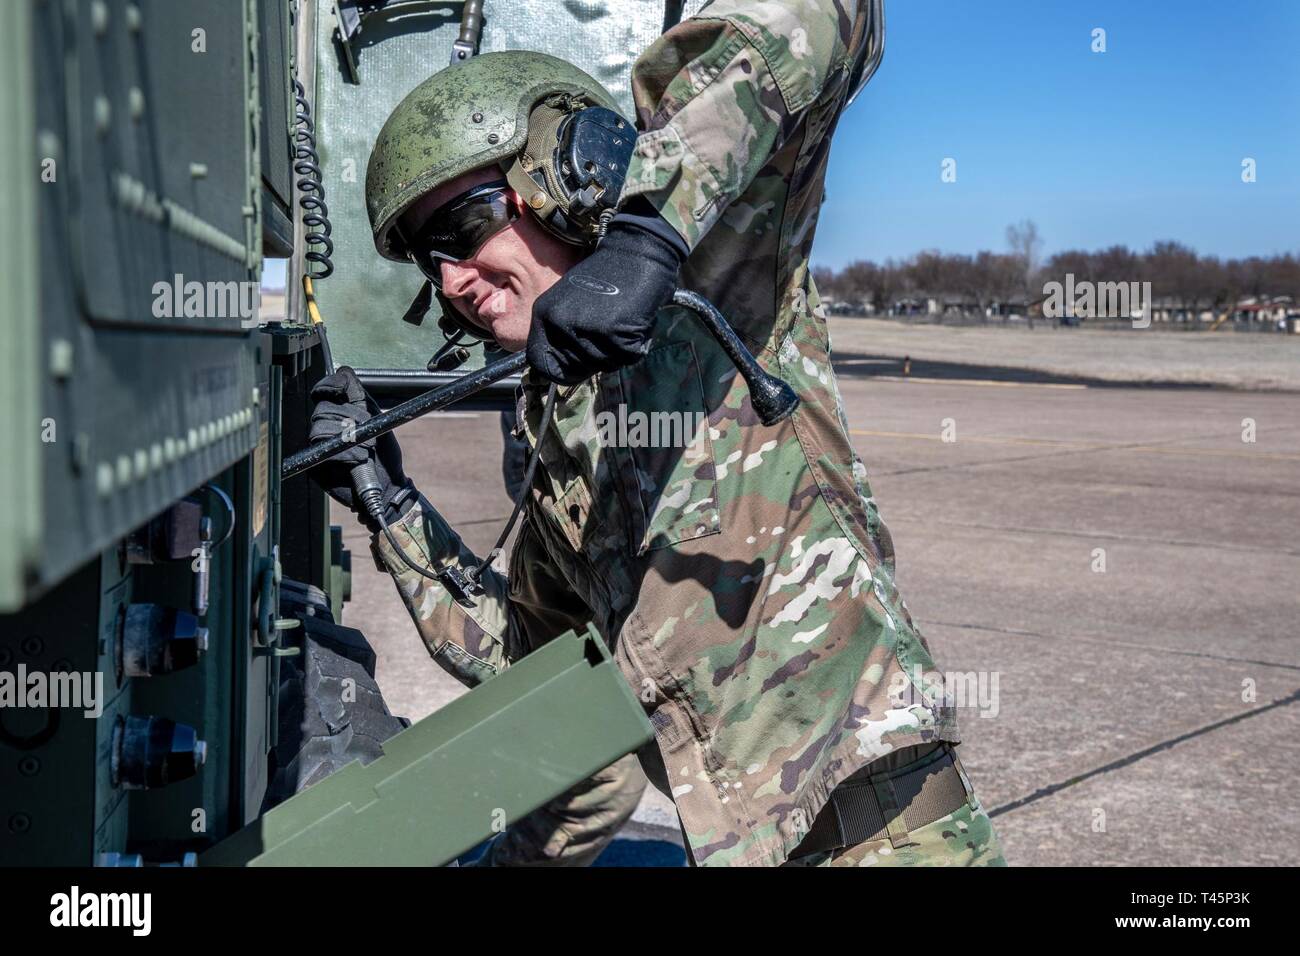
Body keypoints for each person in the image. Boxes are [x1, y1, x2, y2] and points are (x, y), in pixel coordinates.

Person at [314, 10, 1005, 867]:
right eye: (429, 258)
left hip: (880, 840)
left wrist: (650, 231)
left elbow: (831, 19)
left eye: (460, 230)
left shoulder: (720, 278)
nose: (451, 281)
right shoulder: (552, 428)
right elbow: (538, 672)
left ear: (566, 174)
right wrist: (390, 508)